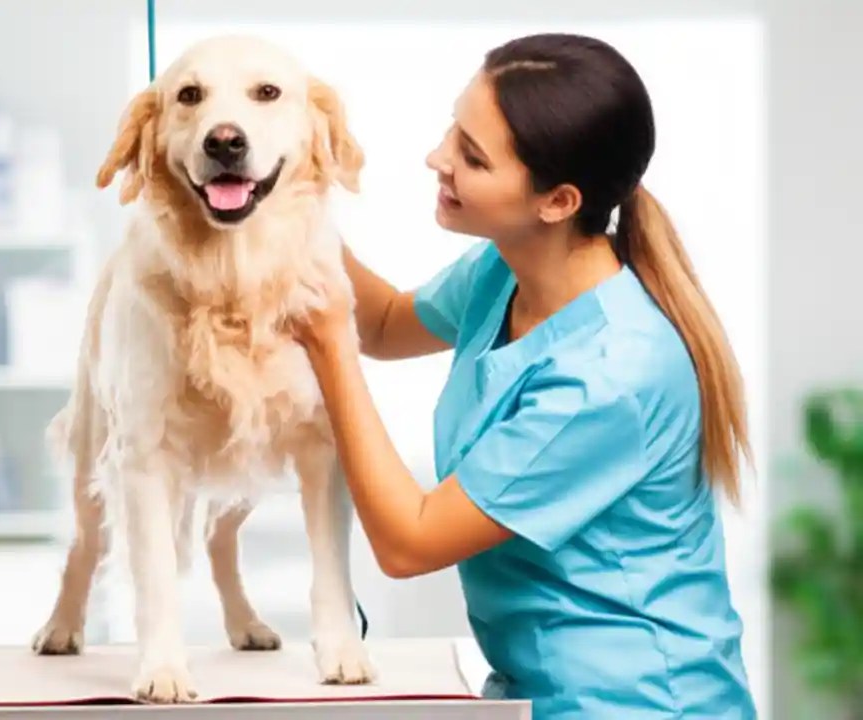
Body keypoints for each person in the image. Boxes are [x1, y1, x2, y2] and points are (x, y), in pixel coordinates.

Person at [290, 32, 757, 718]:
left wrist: (328, 346)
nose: (436, 158)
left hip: (640, 706)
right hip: (536, 696)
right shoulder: (504, 271)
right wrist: (285, 205)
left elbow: (409, 541)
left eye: (472, 157)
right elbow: (385, 323)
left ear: (558, 201)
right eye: (454, 128)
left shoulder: (610, 376)